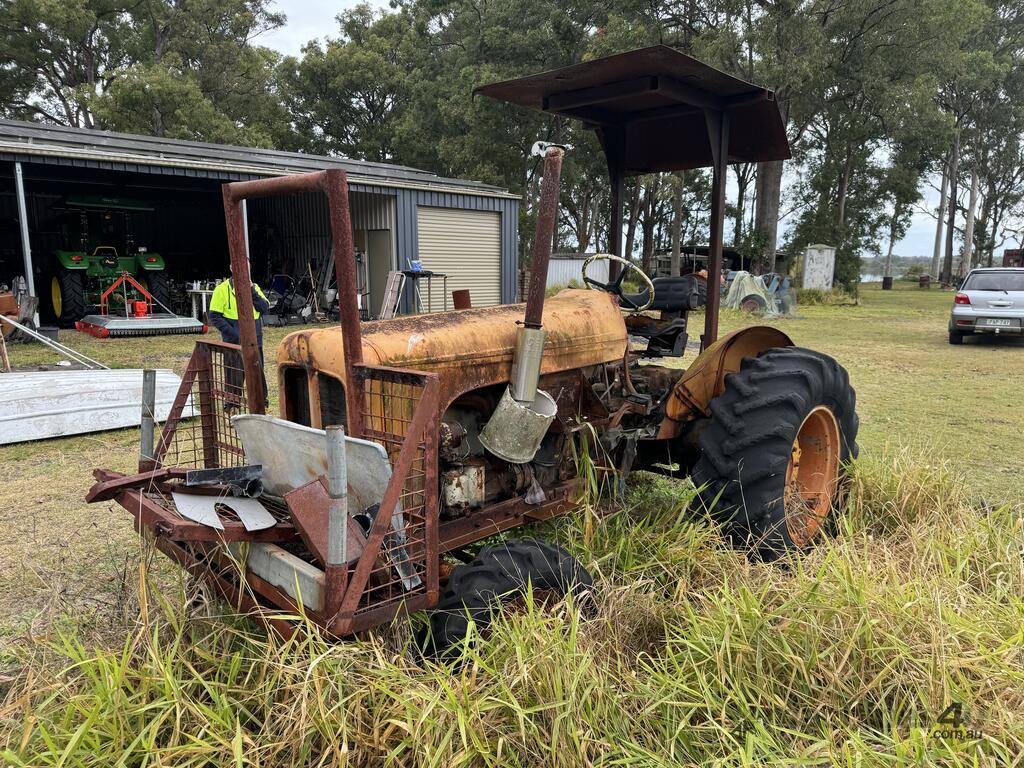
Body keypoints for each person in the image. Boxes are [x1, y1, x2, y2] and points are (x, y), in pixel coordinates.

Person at [208, 276, 271, 409]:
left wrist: (252, 291)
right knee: (233, 375)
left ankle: (261, 404)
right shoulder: (221, 289)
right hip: (233, 342)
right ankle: (232, 406)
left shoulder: (255, 287)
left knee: (257, 373)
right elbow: (214, 316)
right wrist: (234, 335)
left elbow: (264, 308)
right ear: (232, 267)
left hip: (255, 340)